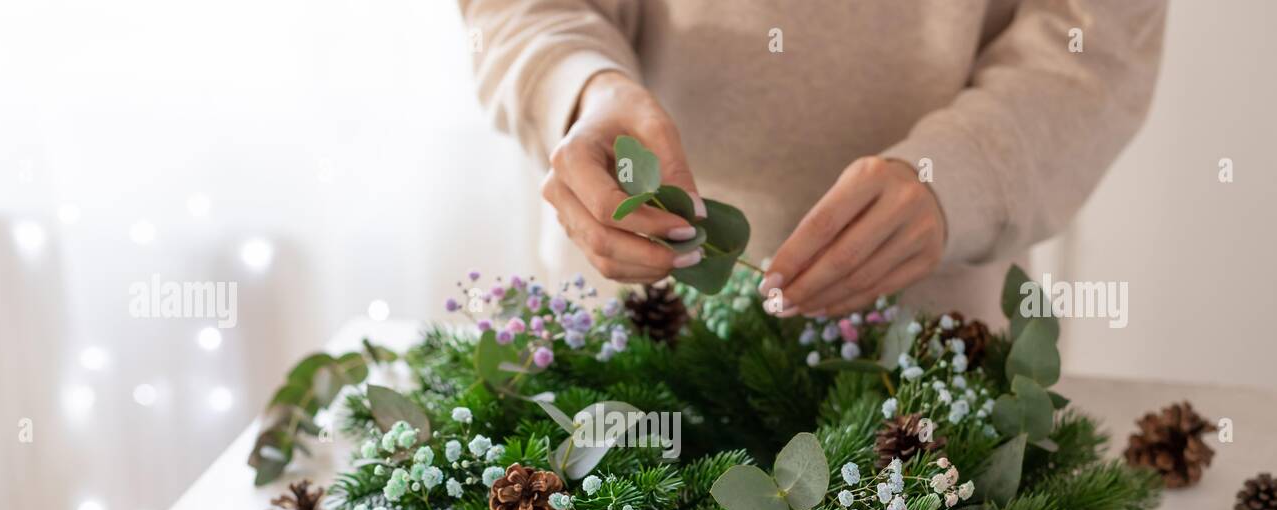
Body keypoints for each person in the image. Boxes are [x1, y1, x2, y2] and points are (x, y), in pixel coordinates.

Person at [459, 1, 1165, 323]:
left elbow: (1097, 40)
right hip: (631, 342)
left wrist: (965, 176)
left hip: (935, 368)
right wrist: (582, 87)